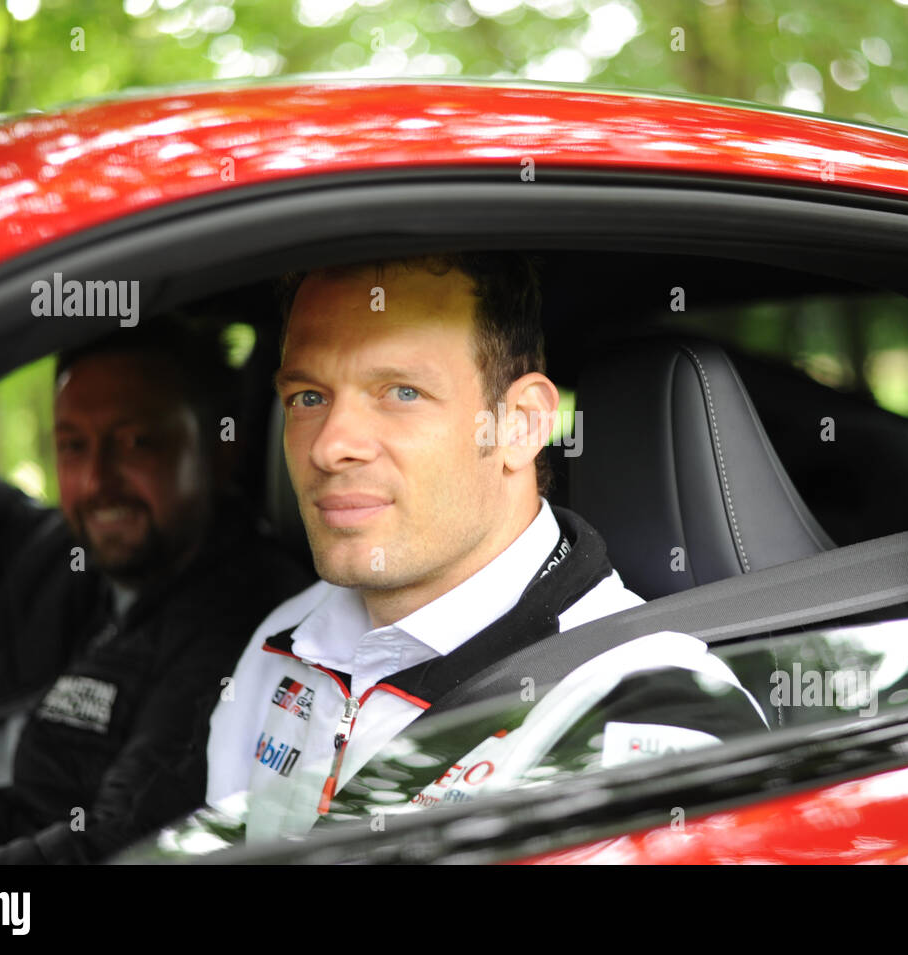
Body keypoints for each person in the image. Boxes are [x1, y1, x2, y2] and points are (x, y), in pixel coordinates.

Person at [206, 253, 767, 840]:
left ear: (520, 424)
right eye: (308, 398)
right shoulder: (283, 641)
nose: (330, 447)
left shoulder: (649, 720)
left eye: (402, 391)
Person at [0, 318, 311, 863]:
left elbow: (118, 846)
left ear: (219, 449)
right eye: (73, 445)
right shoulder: (61, 548)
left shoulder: (248, 624)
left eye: (135, 441)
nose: (97, 480)